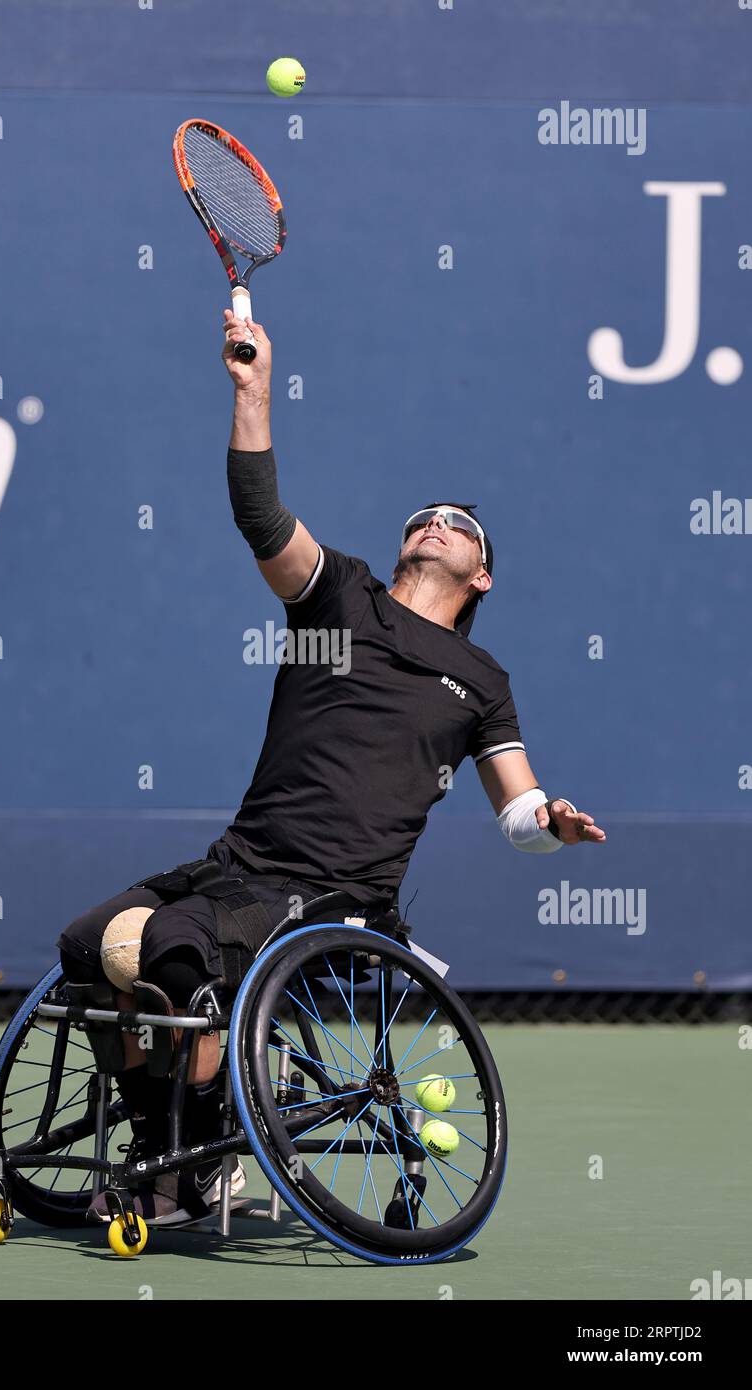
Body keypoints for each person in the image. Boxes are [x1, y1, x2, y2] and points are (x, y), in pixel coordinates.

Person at [57, 309, 606, 1227]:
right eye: (425, 517)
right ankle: (181, 1141)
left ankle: (185, 1157)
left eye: (458, 526)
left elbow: (519, 811)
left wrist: (550, 823)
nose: (436, 524)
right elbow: (260, 513)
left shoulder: (483, 682)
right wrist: (253, 390)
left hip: (336, 894)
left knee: (173, 948)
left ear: (482, 577)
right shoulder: (338, 596)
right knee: (86, 943)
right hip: (238, 866)